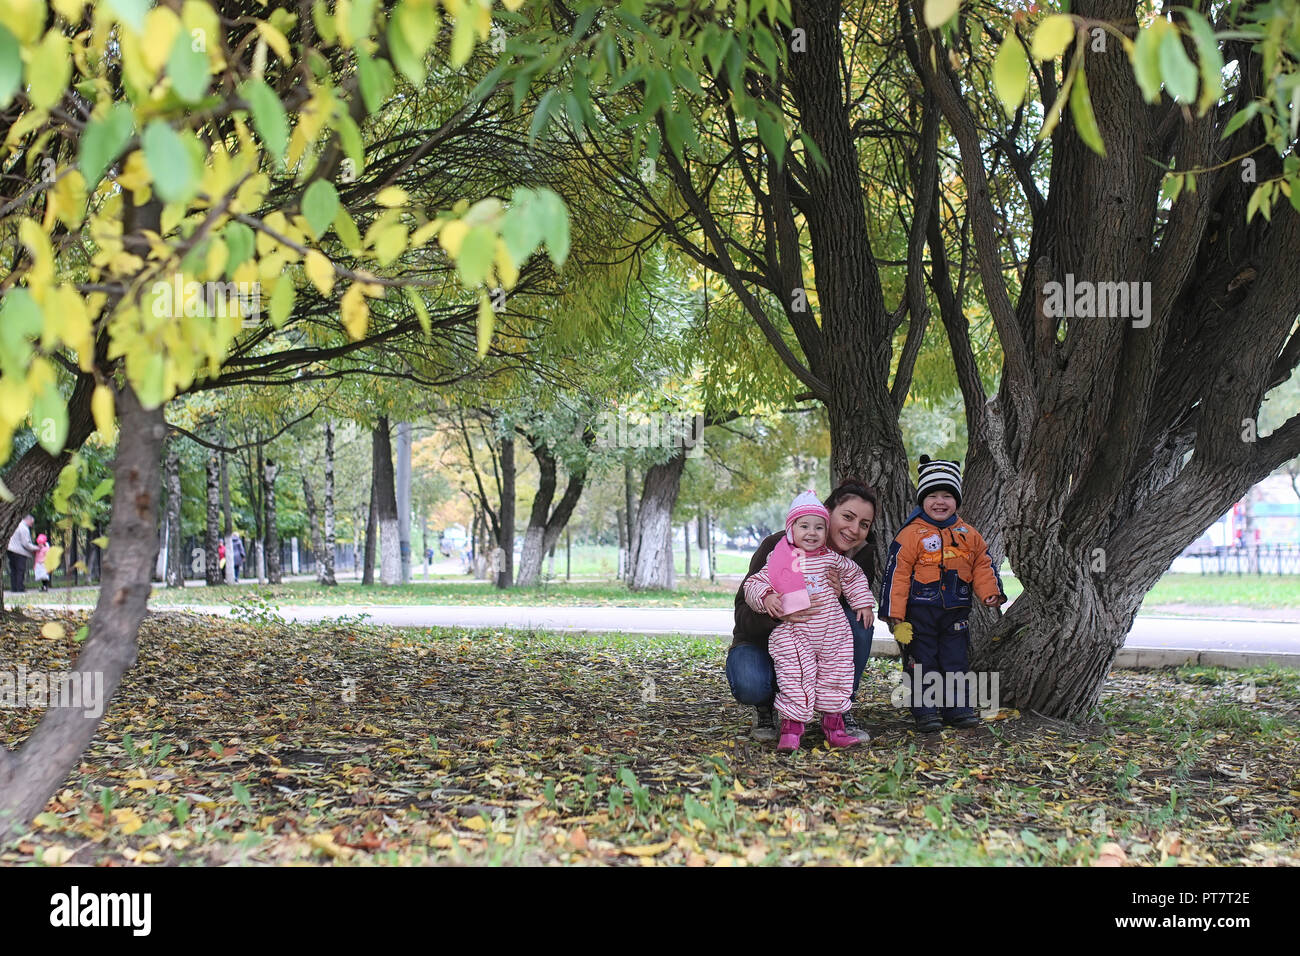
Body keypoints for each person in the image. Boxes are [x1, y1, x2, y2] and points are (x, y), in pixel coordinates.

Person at [728, 479, 880, 744]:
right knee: (750, 682)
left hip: (826, 640)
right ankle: (769, 707)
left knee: (861, 622)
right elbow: (743, 612)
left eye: (864, 524)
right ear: (827, 510)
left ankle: (837, 708)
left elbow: (857, 590)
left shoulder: (857, 557)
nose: (854, 529)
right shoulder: (779, 547)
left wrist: (843, 594)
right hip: (768, 641)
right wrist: (775, 610)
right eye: (848, 517)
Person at [880, 456, 1006, 733]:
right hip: (919, 613)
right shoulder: (911, 535)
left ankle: (957, 708)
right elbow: (897, 573)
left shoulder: (968, 534)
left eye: (947, 495)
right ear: (922, 500)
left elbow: (982, 563)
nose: (940, 501)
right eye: (932, 495)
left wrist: (989, 592)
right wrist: (894, 615)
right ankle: (925, 711)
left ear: (957, 500)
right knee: (922, 660)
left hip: (955, 612)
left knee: (955, 660)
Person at [6, 515, 37, 593]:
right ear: (28, 520)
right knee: (20, 570)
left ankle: (14, 587)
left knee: (13, 570)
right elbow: (26, 543)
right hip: (19, 552)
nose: (31, 525)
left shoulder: (16, 525)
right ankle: (20, 587)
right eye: (31, 523)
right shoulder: (24, 528)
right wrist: (36, 548)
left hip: (10, 550)